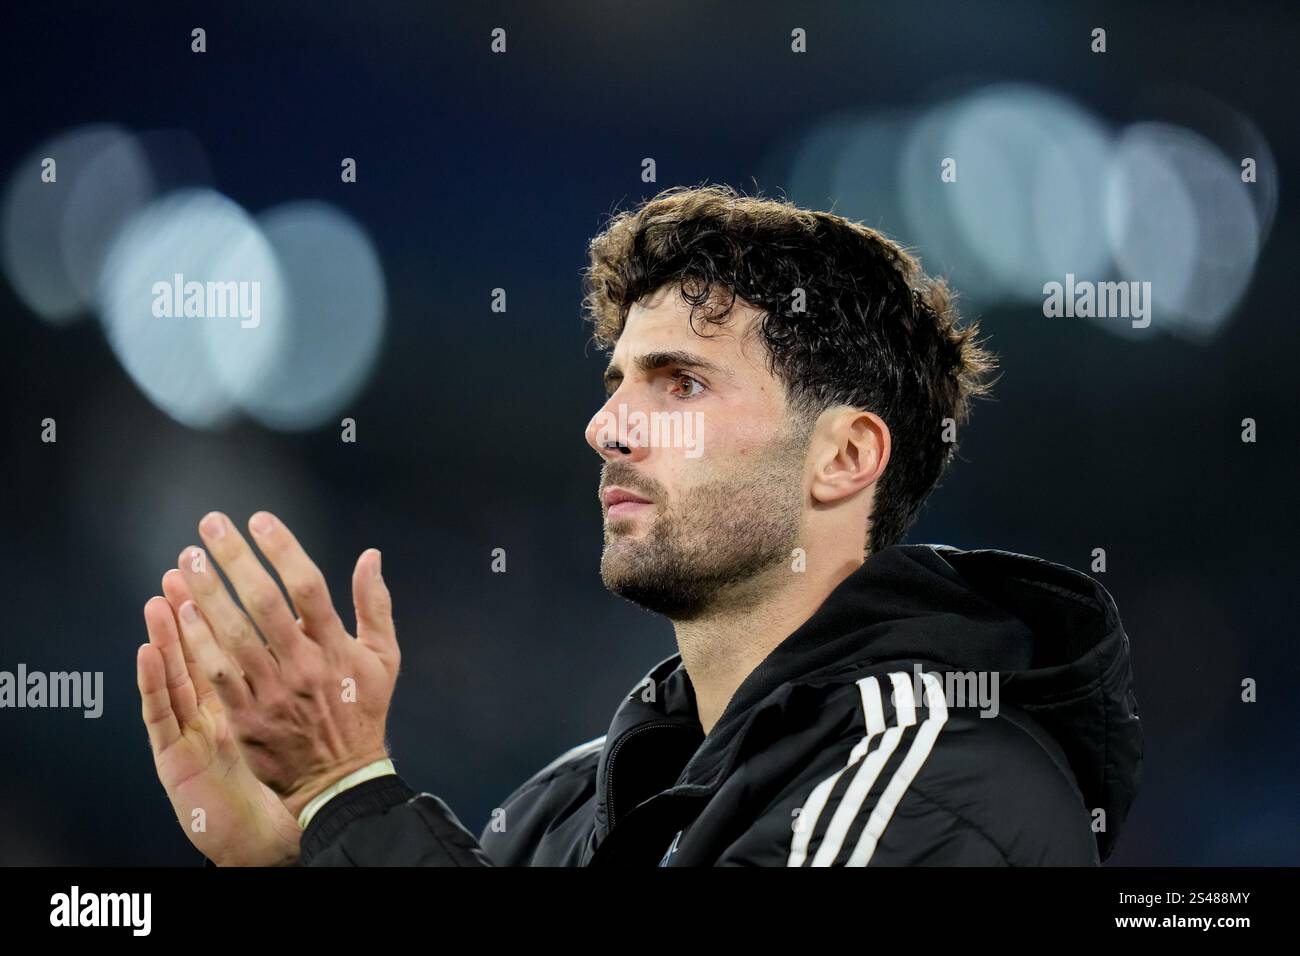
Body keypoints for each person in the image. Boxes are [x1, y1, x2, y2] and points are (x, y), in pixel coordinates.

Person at [136, 185, 1142, 866]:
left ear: (844, 457)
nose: (607, 425)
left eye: (680, 382)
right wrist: (297, 848)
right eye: (619, 379)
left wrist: (349, 793)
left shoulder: (941, 783)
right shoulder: (568, 800)